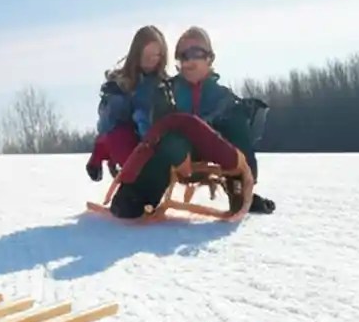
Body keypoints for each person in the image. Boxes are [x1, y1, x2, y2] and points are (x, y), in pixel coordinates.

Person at [109, 26, 275, 218]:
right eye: (183, 56)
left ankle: (242, 190)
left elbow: (239, 138)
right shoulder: (167, 91)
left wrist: (247, 173)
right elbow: (158, 127)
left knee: (236, 121)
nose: (188, 61)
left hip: (217, 149)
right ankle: (137, 195)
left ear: (209, 58)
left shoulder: (222, 97)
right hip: (181, 154)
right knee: (167, 141)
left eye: (196, 53)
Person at [86, 25, 169, 181]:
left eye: (156, 55)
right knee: (136, 162)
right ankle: (102, 151)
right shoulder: (122, 83)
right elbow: (109, 120)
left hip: (149, 134)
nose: (152, 60)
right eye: (147, 54)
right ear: (137, 53)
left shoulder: (162, 82)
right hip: (122, 133)